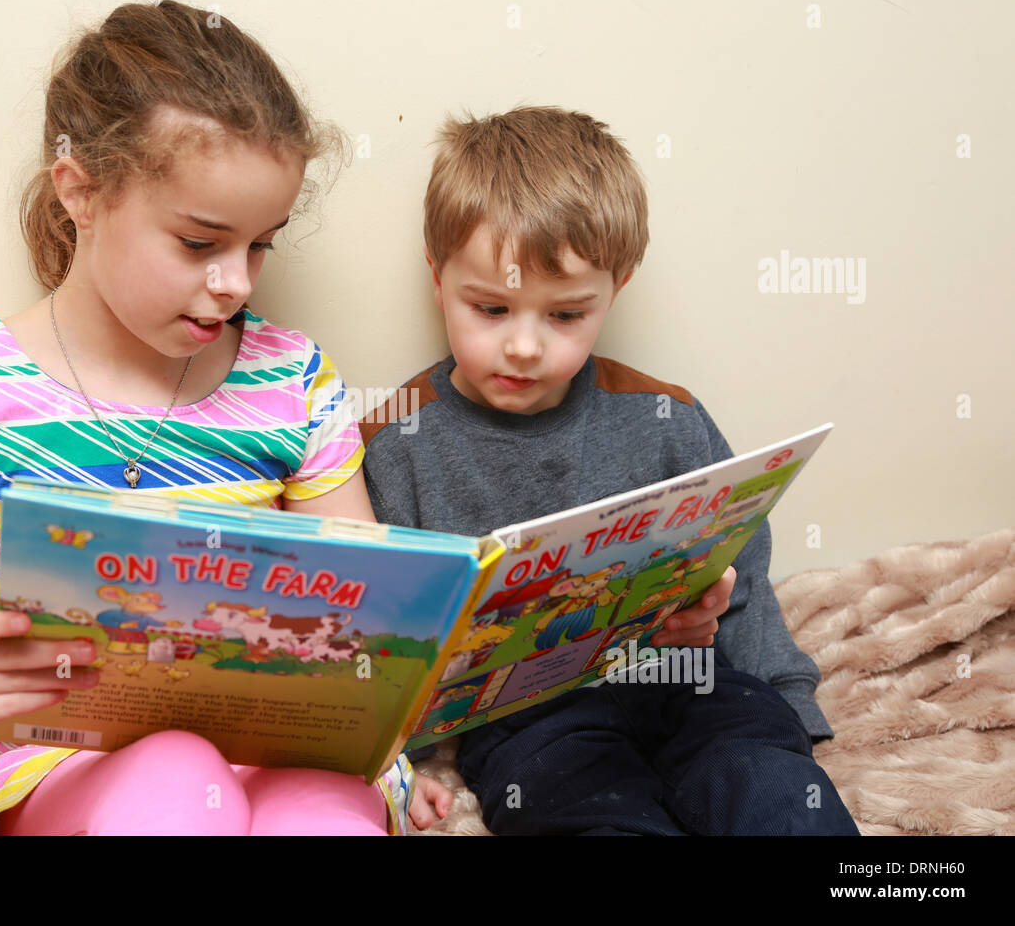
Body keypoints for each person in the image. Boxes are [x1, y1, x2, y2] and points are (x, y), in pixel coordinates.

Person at [0, 0, 451, 836]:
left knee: (326, 821)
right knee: (172, 774)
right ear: (81, 193)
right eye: (201, 244)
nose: (237, 281)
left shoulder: (296, 380)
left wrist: (396, 738)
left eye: (261, 243)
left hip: (285, 752)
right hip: (77, 770)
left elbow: (367, 631)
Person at [362, 106, 859, 835]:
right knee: (592, 815)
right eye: (492, 308)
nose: (525, 346)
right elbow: (394, 634)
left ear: (615, 289)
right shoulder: (398, 445)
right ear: (439, 279)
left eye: (564, 316)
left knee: (770, 786)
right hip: (535, 721)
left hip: (695, 685)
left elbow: (743, 569)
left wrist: (788, 700)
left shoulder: (665, 418)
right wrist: (425, 759)